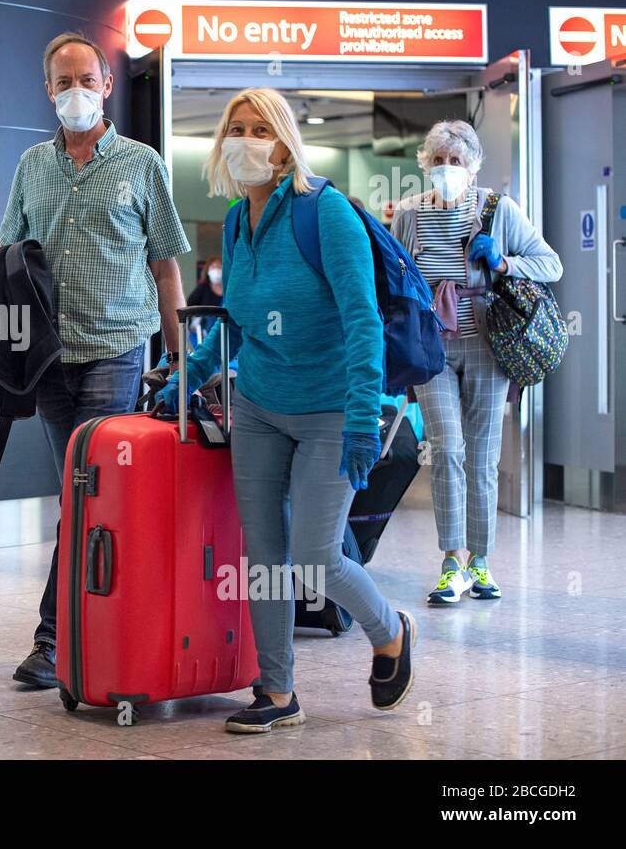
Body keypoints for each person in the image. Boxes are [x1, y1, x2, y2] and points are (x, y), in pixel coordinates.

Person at [158, 88, 416, 732]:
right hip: (261, 407)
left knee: (313, 557)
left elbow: (363, 322)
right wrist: (191, 374)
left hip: (331, 409)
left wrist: (363, 418)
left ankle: (389, 631)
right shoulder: (240, 223)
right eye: (235, 129)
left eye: (260, 129)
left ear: (284, 143)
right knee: (264, 555)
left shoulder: (325, 213)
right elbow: (237, 322)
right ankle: (277, 692)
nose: (246, 141)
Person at [0, 32, 190, 688]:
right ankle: (88, 631)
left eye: (86, 79)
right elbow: (8, 263)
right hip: (51, 357)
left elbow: (166, 267)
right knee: (77, 495)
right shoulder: (32, 166)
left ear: (107, 85)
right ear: (47, 90)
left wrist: (178, 353)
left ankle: (56, 641)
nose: (75, 91)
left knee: (88, 492)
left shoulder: (141, 164)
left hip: (117, 345)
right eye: (63, 81)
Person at [390, 120, 561, 605]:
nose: (447, 170)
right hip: (432, 348)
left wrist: (504, 262)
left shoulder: (498, 210)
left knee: (484, 457)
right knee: (446, 449)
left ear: (474, 166)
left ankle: (481, 562)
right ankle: (450, 561)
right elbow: (393, 274)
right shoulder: (410, 213)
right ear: (426, 165)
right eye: (439, 161)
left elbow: (551, 264)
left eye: (456, 162)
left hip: (487, 345)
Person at [185, 256, 224, 343]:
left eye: (218, 267)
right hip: (204, 331)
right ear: (208, 271)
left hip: (225, 329)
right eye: (213, 267)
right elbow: (188, 306)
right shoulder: (202, 289)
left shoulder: (228, 290)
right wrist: (194, 322)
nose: (216, 270)